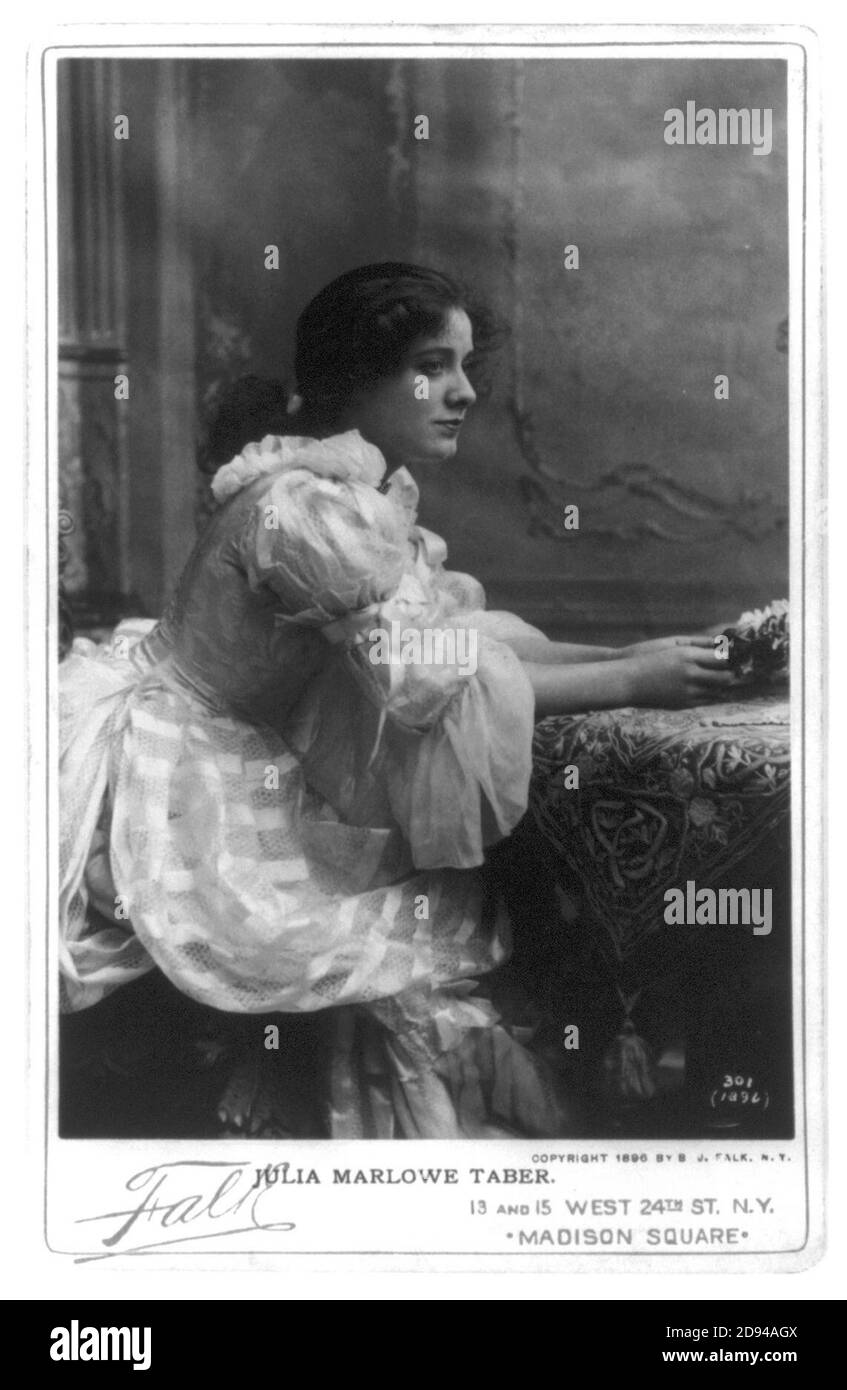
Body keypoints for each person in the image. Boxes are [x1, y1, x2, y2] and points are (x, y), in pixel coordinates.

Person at [59, 261, 733, 1139]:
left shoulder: (351, 492)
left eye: (463, 367)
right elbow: (426, 680)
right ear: (355, 374)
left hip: (237, 732)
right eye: (430, 366)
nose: (460, 393)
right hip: (185, 760)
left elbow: (463, 638)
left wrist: (629, 653)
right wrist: (634, 681)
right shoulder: (306, 509)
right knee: (406, 933)